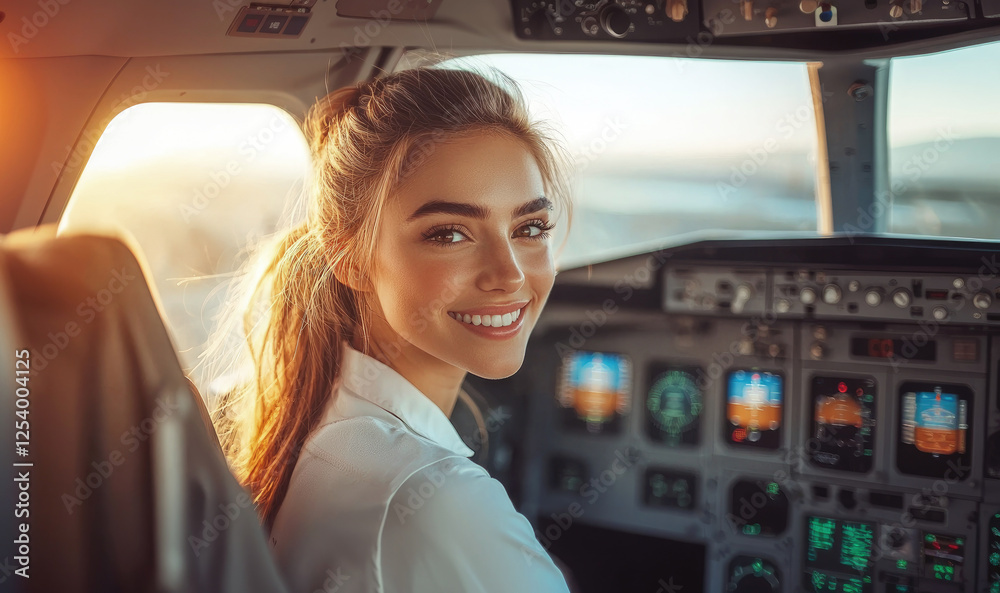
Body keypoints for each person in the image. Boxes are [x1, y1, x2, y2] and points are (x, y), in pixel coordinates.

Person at [205, 65, 574, 593]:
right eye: (449, 234)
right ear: (348, 255)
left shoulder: (321, 423)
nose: (510, 274)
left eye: (529, 228)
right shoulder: (437, 497)